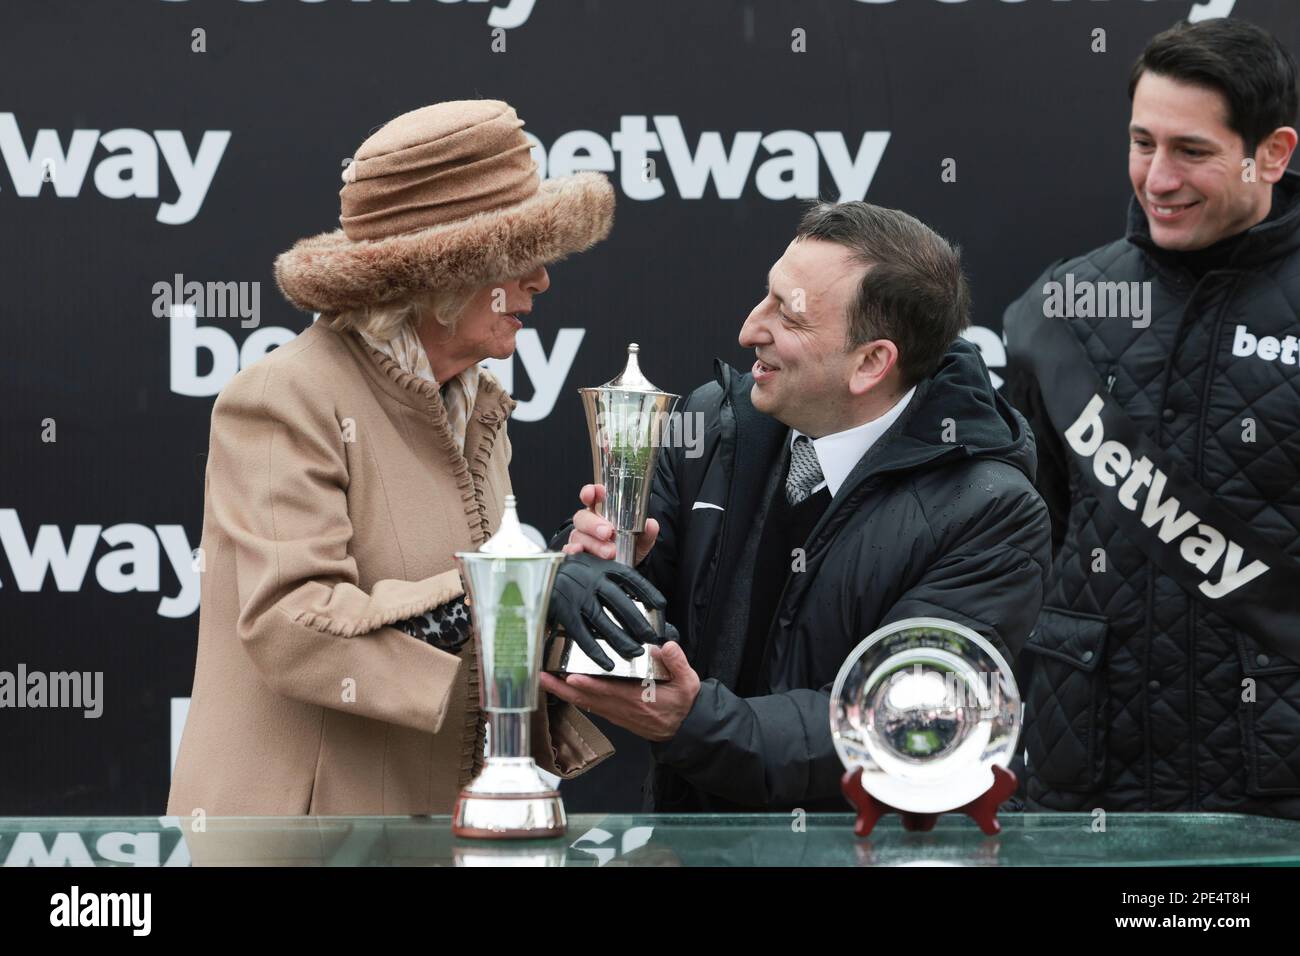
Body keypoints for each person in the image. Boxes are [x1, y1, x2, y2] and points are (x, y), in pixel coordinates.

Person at [167, 99, 661, 816]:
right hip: (304, 850)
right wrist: (528, 583)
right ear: (448, 275)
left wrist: (570, 573)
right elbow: (294, 628)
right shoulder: (282, 397)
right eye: (521, 255)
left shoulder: (473, 404)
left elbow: (462, 631)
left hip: (431, 832)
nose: (542, 282)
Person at [544, 201, 1052, 811]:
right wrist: (586, 574)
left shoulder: (992, 513)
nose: (749, 329)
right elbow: (632, 594)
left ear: (871, 363)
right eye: (767, 296)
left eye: (789, 315)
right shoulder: (712, 423)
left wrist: (694, 721)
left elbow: (893, 723)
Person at [1002, 19, 1300, 818]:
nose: (1158, 178)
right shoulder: (1061, 311)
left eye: (1192, 151)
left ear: (1271, 152)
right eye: (1142, 143)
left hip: (1274, 797)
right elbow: (1032, 536)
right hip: (1088, 788)